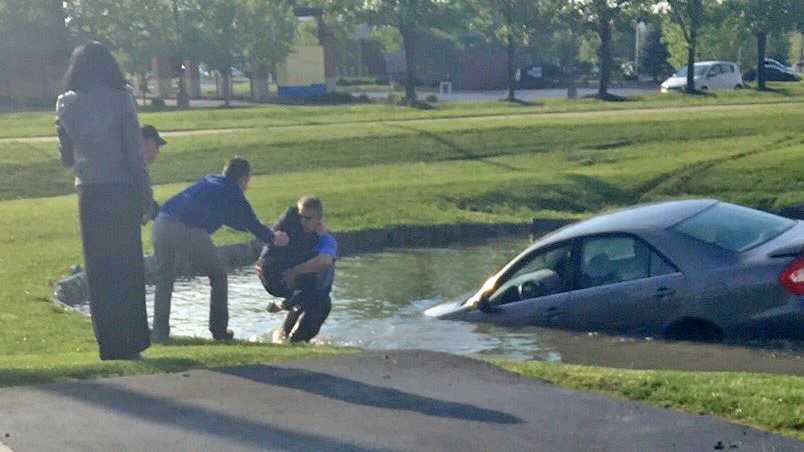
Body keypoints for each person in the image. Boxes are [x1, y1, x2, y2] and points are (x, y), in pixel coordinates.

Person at [56, 42, 153, 360]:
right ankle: (133, 340)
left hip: (90, 192)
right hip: (121, 189)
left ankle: (108, 342)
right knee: (127, 268)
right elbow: (134, 154)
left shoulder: (66, 104)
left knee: (99, 270)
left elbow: (67, 156)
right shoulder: (121, 98)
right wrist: (145, 196)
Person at [151, 158, 288, 342]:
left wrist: (264, 229)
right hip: (186, 229)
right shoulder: (232, 191)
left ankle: (160, 333)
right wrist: (274, 238)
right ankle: (219, 331)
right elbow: (250, 222)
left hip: (162, 222)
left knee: (164, 278)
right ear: (244, 179)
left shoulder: (212, 181)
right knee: (218, 274)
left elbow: (232, 220)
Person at [260, 196, 337, 343]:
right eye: (301, 217)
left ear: (318, 219)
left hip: (318, 301)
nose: (303, 222)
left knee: (296, 340)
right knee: (281, 336)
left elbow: (324, 262)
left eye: (308, 219)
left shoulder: (327, 240)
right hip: (301, 296)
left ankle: (296, 346)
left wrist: (293, 272)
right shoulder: (301, 239)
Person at [140, 124, 166, 221]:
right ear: (148, 142)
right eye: (157, 146)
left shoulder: (134, 164)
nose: (158, 152)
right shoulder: (137, 169)